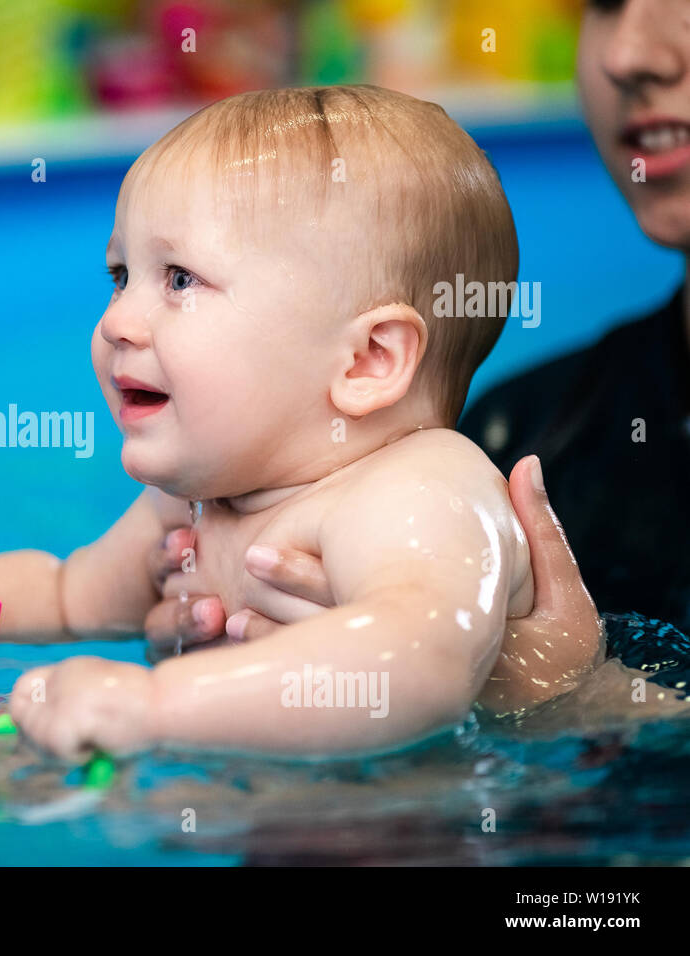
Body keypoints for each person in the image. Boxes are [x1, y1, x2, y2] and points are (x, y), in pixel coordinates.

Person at [0, 85, 609, 760]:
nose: (118, 323)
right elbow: (68, 597)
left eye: (178, 279)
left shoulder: (419, 490)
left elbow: (417, 664)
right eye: (119, 274)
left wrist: (155, 704)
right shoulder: (197, 505)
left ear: (366, 362)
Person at [145, 0, 690, 689]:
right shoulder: (520, 434)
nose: (629, 54)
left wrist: (560, 697)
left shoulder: (461, 473)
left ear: (375, 355)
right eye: (605, 2)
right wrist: (198, 638)